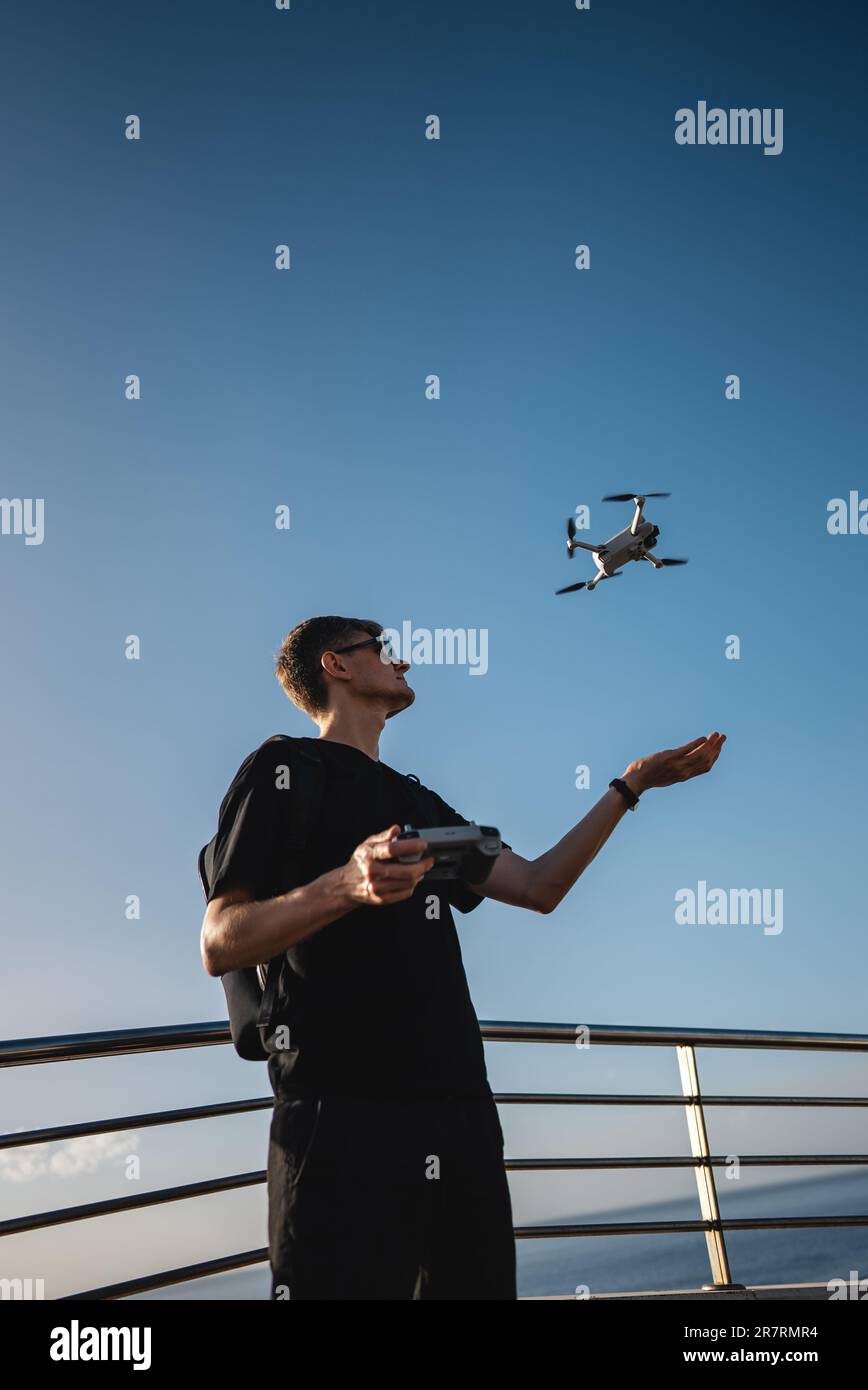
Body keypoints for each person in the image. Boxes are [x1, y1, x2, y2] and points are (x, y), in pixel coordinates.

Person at [199, 615, 726, 1300]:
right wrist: (345, 884)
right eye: (382, 652)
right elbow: (221, 940)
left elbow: (539, 887)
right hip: (341, 1116)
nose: (403, 664)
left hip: (459, 1115)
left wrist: (628, 789)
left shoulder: (418, 802)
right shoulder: (284, 769)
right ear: (339, 666)